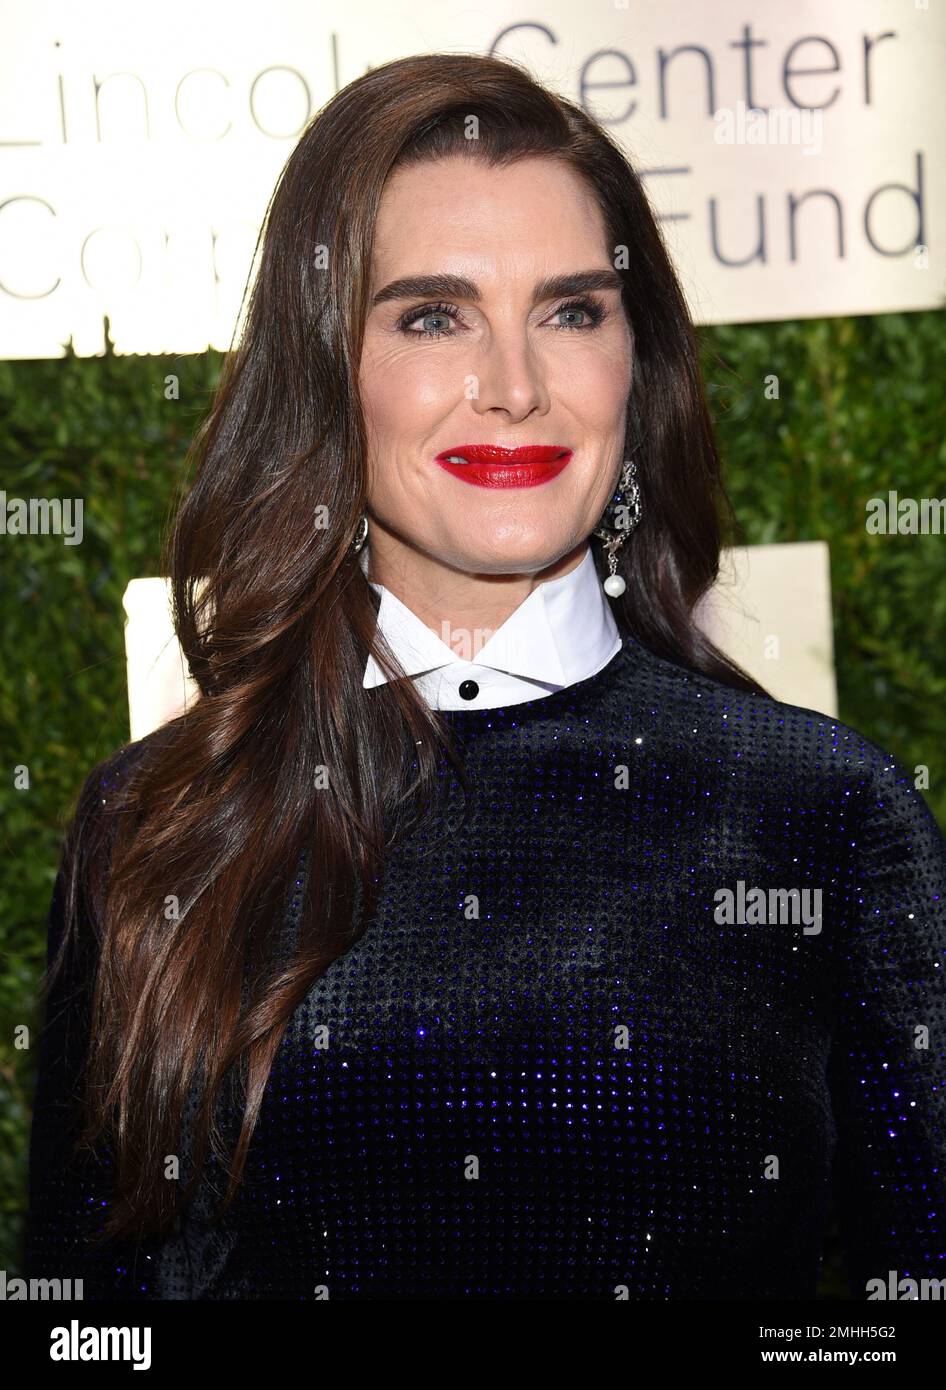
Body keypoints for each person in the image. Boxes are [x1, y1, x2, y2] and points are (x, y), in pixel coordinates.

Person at [24, 51, 946, 1301]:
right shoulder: (157, 825)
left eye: (571, 311)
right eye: (431, 316)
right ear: (325, 373)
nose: (513, 388)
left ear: (639, 359)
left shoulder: (825, 816)